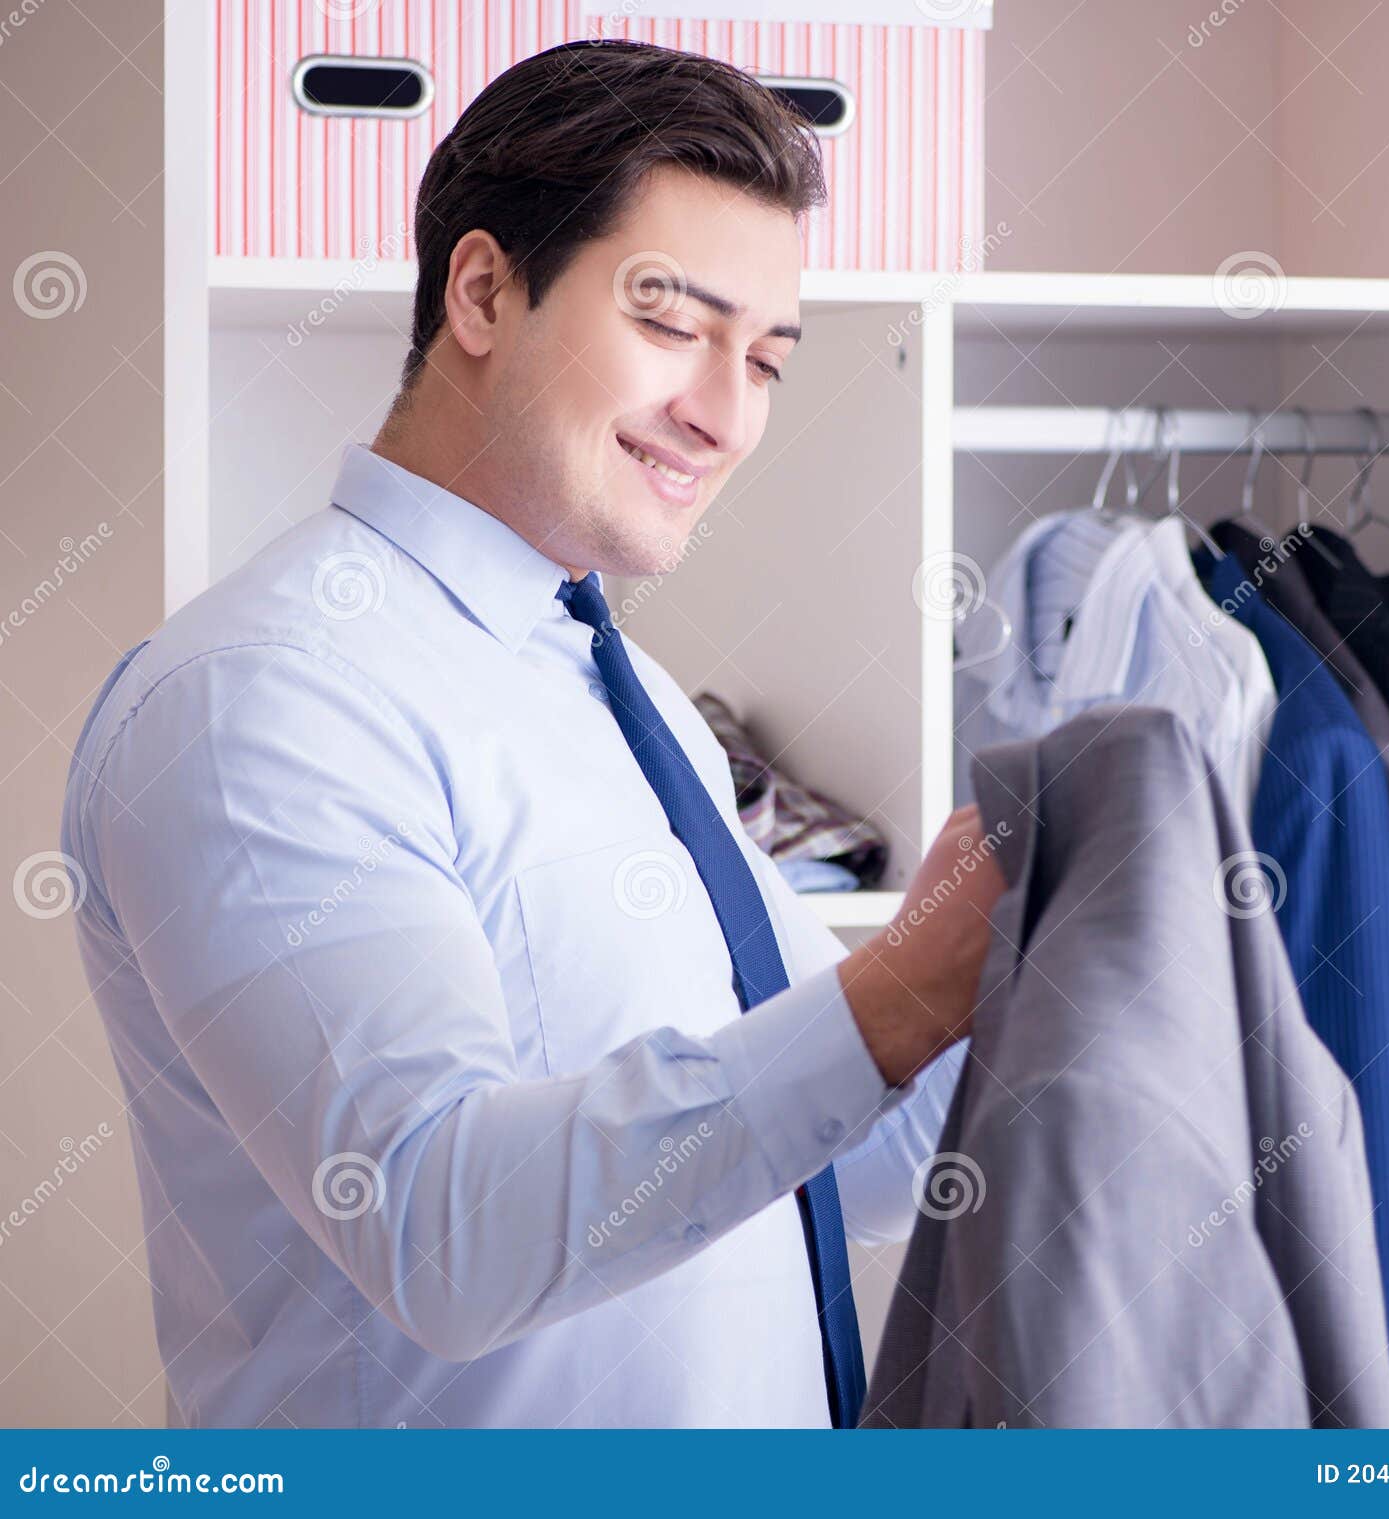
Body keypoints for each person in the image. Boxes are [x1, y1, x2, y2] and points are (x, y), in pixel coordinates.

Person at [60, 39, 1002, 1429]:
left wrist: (1024, 947)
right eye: (674, 327)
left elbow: (841, 1163)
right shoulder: (263, 698)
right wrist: (898, 1000)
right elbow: (439, 1228)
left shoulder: (642, 708)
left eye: (767, 362)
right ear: (487, 292)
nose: (725, 414)